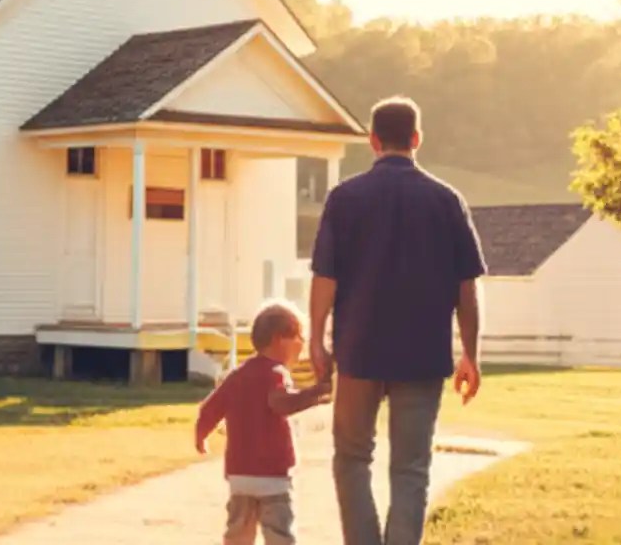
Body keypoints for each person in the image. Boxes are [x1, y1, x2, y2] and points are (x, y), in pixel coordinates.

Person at [309, 96, 486, 545]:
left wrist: (315, 339)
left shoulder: (344, 199)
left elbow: (325, 277)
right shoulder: (447, 200)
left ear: (372, 141)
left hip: (358, 352)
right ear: (416, 139)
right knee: (411, 469)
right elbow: (467, 285)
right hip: (423, 356)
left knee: (351, 458)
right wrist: (471, 353)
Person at [195, 301, 332, 545]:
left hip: (239, 476)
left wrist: (201, 435)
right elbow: (281, 403)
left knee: (238, 533)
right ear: (280, 339)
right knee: (279, 534)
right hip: (272, 477)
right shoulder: (275, 373)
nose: (302, 344)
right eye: (299, 337)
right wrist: (316, 394)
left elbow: (210, 409)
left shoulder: (236, 375)